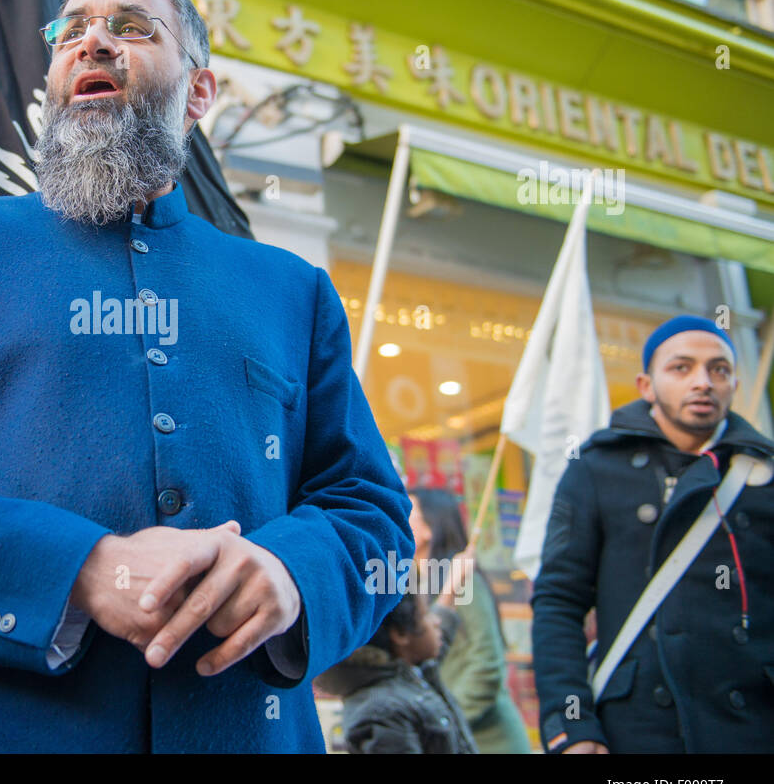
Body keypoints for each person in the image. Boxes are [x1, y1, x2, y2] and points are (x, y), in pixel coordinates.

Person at [0, 0, 413, 752]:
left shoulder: (291, 291)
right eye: (70, 30)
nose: (94, 42)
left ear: (200, 95)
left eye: (134, 27)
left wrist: (290, 575)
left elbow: (372, 512)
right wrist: (79, 570)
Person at [531, 314, 774, 753]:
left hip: (753, 723)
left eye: (719, 369)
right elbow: (558, 603)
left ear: (735, 385)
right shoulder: (595, 469)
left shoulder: (765, 473)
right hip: (638, 726)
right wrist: (572, 728)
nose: (703, 381)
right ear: (646, 385)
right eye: (681, 368)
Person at [409, 487, 532, 753]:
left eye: (410, 512)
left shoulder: (462, 579)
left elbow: (487, 664)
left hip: (488, 741)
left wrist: (444, 718)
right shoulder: (416, 582)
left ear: (431, 526)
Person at [316, 592, 477, 754]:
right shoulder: (382, 713)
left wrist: (453, 588)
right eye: (426, 614)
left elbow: (440, 639)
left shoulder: (410, 674)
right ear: (400, 634)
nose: (437, 621)